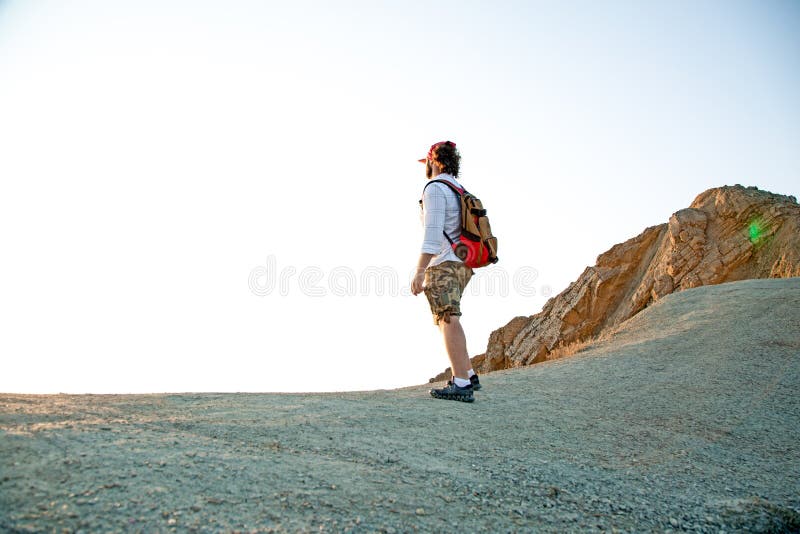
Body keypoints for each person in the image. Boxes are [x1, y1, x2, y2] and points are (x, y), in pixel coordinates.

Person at [411, 141, 482, 402]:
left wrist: (420, 270)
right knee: (447, 317)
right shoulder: (458, 188)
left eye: (426, 162)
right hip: (464, 262)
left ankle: (461, 382)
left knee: (448, 317)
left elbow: (432, 233)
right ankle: (468, 373)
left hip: (444, 262)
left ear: (433, 161)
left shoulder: (434, 188)